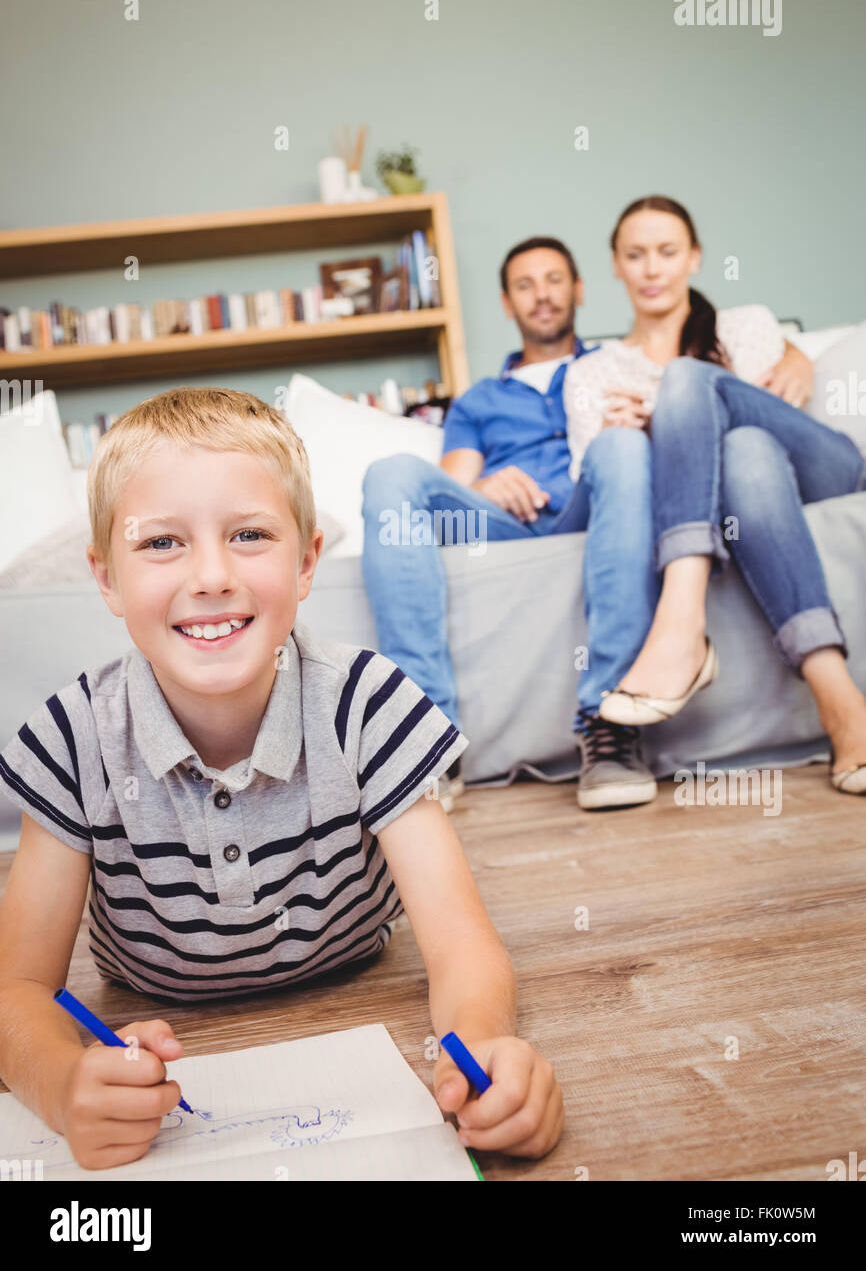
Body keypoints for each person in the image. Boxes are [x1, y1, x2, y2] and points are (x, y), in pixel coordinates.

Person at [0, 387, 563, 1170]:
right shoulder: (73, 737)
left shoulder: (369, 702)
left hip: (357, 973)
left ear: (304, 563)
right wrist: (60, 1082)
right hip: (152, 1001)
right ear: (107, 580)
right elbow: (15, 988)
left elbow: (464, 947)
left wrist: (491, 1049)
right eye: (162, 544)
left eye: (250, 535)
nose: (212, 576)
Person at [564, 195, 866, 795]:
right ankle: (843, 706)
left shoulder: (746, 325)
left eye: (668, 252)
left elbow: (781, 410)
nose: (653, 268)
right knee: (744, 451)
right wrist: (651, 437)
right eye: (636, 255)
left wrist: (792, 360)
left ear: (695, 258)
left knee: (696, 388)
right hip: (753, 482)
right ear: (616, 267)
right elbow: (604, 482)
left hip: (821, 467)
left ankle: (682, 623)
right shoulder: (593, 373)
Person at [363, 236, 665, 812]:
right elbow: (449, 483)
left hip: (592, 509)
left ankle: (610, 726)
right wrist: (482, 488)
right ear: (507, 303)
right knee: (391, 473)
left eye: (554, 280)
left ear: (578, 289)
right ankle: (427, 741)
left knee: (624, 447)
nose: (542, 295)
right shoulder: (478, 400)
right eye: (525, 286)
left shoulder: (618, 364)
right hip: (501, 524)